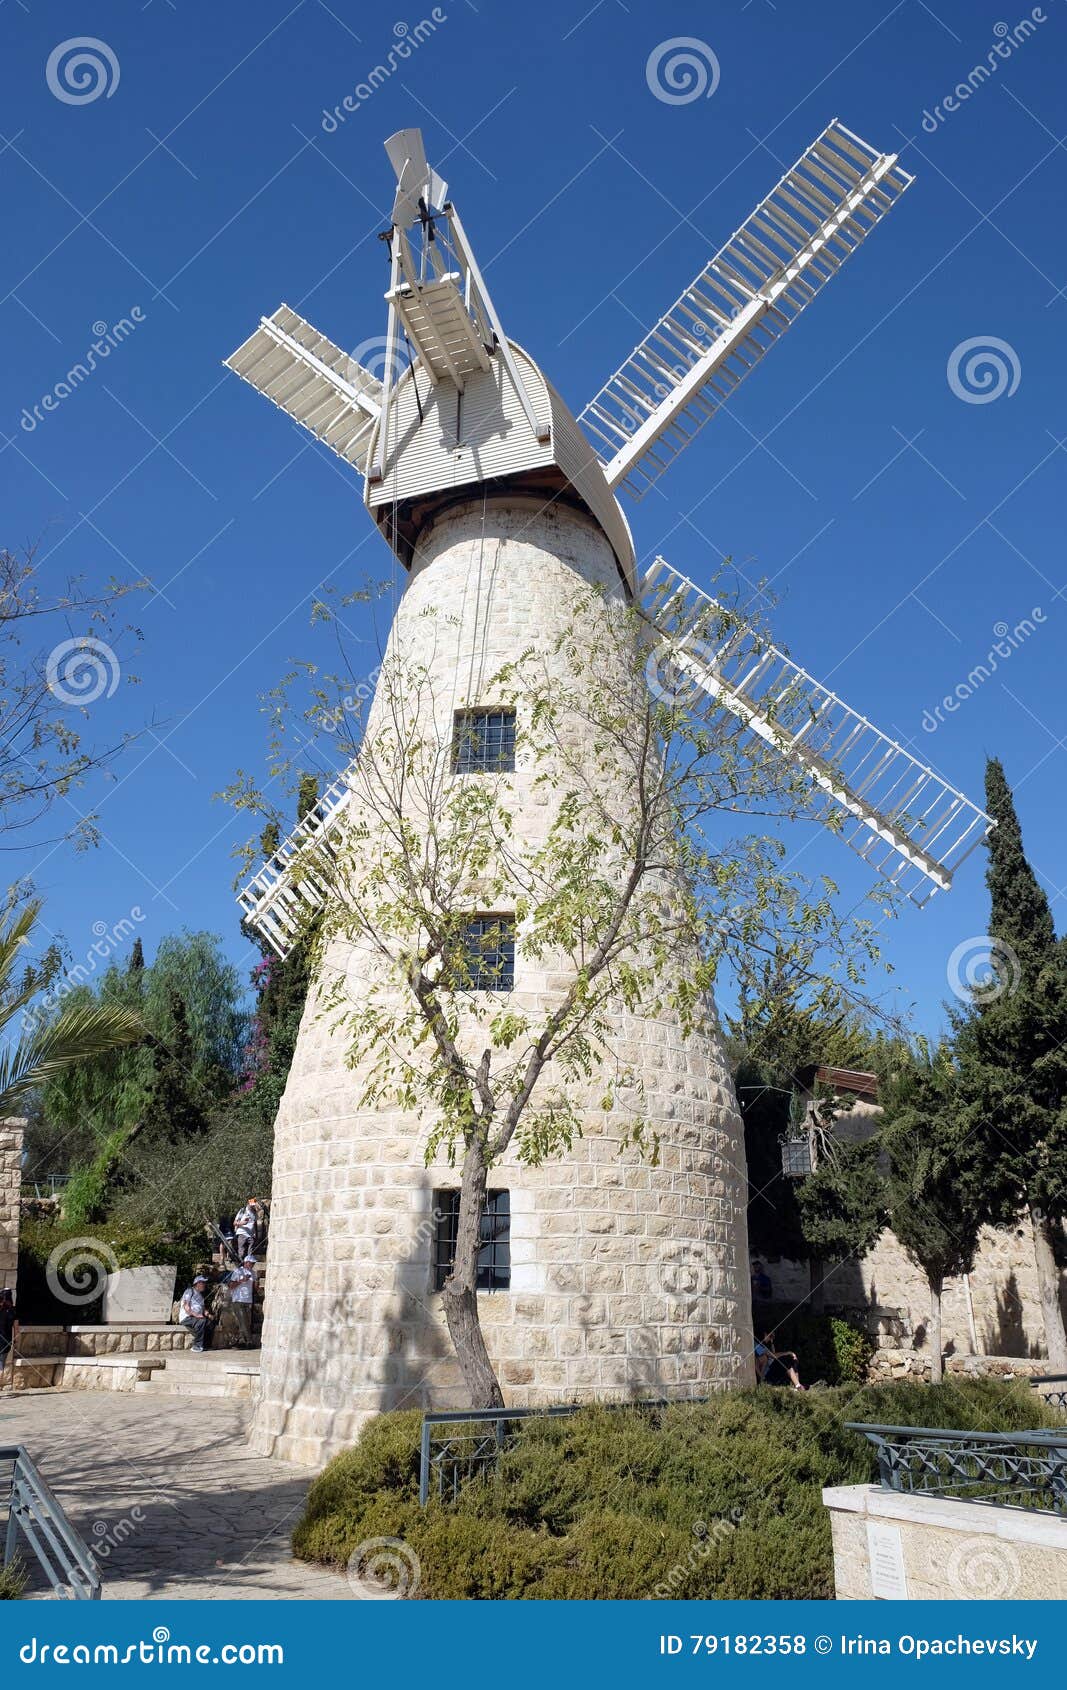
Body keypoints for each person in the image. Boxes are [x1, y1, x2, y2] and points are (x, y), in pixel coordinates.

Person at [179, 1275, 214, 1353]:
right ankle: (197, 1346)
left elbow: (203, 1309)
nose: (204, 1285)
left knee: (209, 1323)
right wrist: (196, 1315)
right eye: (203, 1283)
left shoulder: (201, 1296)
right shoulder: (189, 1291)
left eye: (205, 1283)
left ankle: (206, 1345)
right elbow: (186, 1306)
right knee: (201, 1322)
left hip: (196, 1318)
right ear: (197, 1283)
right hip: (187, 1317)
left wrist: (208, 1315)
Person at [228, 1255, 256, 1348]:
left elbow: (254, 1286)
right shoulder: (238, 1271)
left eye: (253, 1263)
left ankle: (242, 1341)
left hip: (248, 1300)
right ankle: (249, 1341)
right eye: (251, 1263)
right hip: (238, 1300)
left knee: (246, 1322)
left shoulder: (253, 1273)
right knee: (243, 1321)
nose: (253, 1265)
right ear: (246, 1262)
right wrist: (242, 1280)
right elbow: (231, 1286)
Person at [0, 1288, 18, 1391]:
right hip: (6, 1341)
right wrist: (15, 1341)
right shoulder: (13, 1311)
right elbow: (16, 1328)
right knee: (1, 1364)